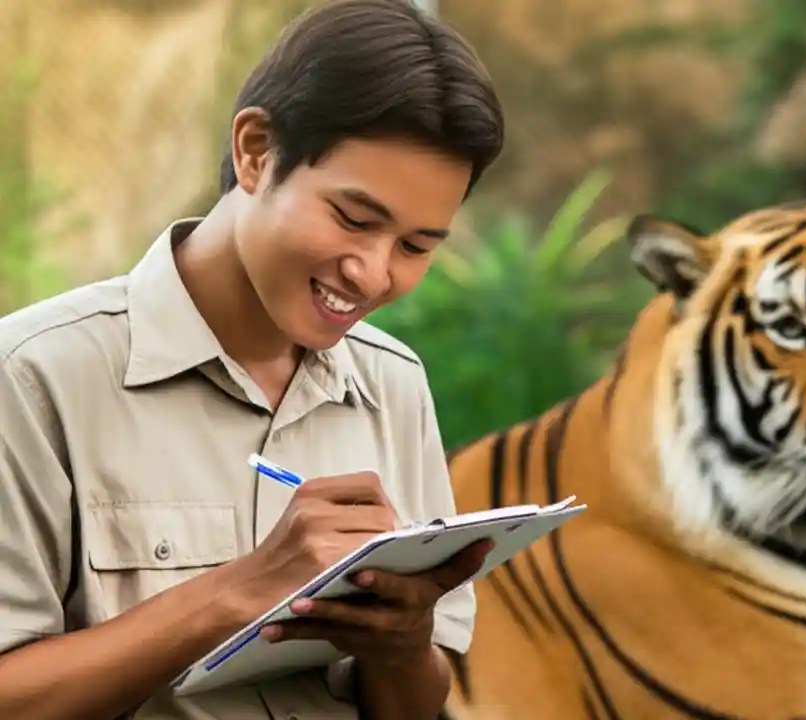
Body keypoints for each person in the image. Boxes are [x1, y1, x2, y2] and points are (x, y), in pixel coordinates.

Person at [0, 0, 503, 717]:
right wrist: (239, 589)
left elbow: (415, 702)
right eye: (354, 220)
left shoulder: (394, 385)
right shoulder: (31, 375)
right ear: (256, 152)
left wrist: (401, 643)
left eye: (416, 246)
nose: (373, 272)